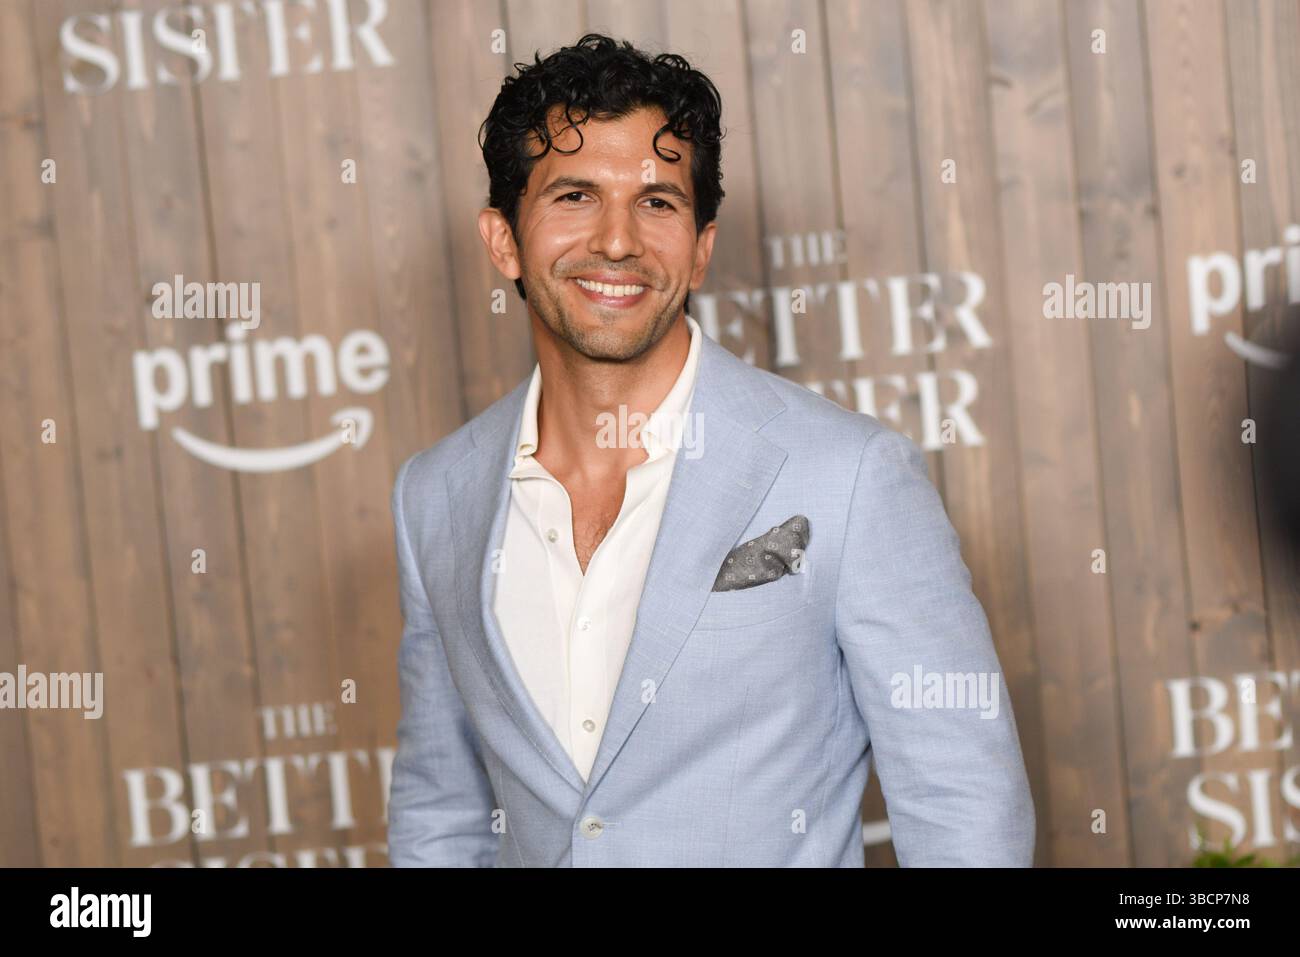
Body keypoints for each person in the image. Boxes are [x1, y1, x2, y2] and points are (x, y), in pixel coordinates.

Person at [387, 33, 1035, 867]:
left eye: (657, 202)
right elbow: (441, 811)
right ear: (504, 239)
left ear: (700, 246)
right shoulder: (434, 497)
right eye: (575, 195)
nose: (618, 240)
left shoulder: (849, 476)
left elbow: (964, 808)